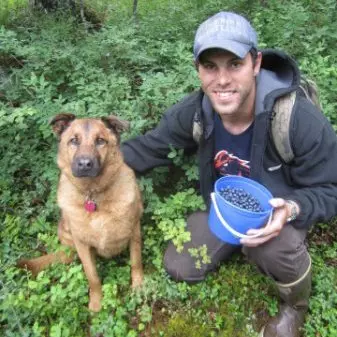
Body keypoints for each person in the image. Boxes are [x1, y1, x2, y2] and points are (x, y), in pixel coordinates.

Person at [121, 11, 337, 337]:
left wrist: (291, 209)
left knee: (272, 248)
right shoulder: (196, 112)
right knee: (179, 265)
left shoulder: (295, 119)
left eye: (234, 64)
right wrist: (92, 164)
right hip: (225, 210)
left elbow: (332, 188)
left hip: (275, 209)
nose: (222, 80)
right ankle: (237, 242)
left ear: (256, 63)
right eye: (210, 66)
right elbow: (148, 148)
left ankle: (295, 307)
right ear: (198, 70)